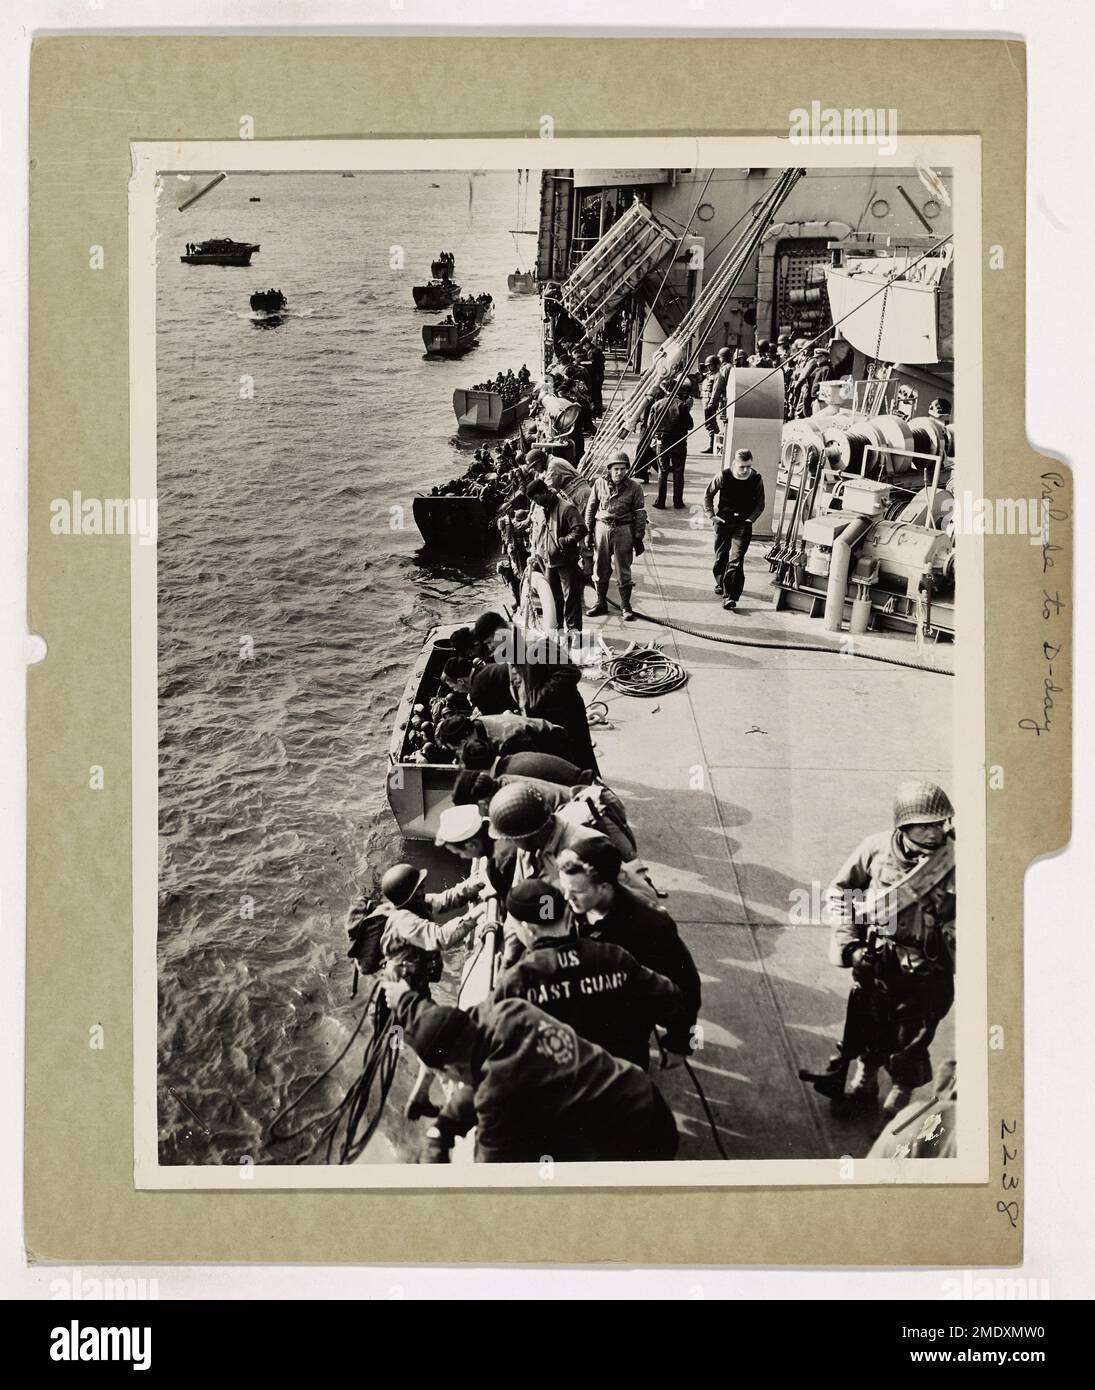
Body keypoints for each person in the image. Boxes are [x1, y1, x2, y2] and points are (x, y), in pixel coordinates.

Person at [384, 983, 679, 1163]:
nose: (447, 1082)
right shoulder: (508, 1011)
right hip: (640, 1090)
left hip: (635, 1141)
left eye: (443, 1076)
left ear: (449, 1068)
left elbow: (490, 1177)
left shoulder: (496, 1096)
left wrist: (438, 1139)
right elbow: (450, 1030)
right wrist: (404, 997)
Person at [801, 781, 956, 1117]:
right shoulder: (875, 849)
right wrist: (851, 947)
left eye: (939, 824)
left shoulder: (957, 860)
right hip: (880, 960)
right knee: (869, 1026)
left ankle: (901, 1088)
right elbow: (841, 894)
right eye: (924, 826)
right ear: (904, 826)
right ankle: (865, 1076)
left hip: (929, 969)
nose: (934, 833)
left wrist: (949, 936)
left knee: (911, 1039)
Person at [490, 878, 689, 1071]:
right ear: (566, 915)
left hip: (563, 1089)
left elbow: (489, 1035)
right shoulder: (614, 957)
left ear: (528, 929)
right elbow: (673, 998)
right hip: (625, 1079)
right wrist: (681, 1045)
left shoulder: (519, 980)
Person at [557, 838, 701, 1041]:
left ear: (604, 887)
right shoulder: (563, 904)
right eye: (564, 889)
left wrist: (682, 1043)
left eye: (576, 892)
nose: (566, 898)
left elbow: (686, 985)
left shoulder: (651, 924)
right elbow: (542, 916)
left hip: (624, 1029)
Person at [584, 452, 647, 621]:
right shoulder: (599, 483)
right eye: (616, 469)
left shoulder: (635, 487)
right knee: (600, 568)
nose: (620, 473)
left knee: (623, 570)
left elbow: (640, 513)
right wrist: (588, 531)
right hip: (602, 528)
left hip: (623, 530)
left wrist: (638, 537)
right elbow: (591, 508)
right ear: (610, 470)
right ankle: (600, 602)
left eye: (623, 469)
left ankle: (625, 605)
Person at [703, 448, 766, 609]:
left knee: (736, 560)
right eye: (742, 467)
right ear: (734, 464)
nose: (745, 470)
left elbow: (760, 503)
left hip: (743, 524)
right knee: (721, 557)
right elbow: (708, 494)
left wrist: (750, 519)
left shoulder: (756, 479)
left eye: (748, 466)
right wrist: (711, 515)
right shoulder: (723, 476)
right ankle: (721, 583)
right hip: (723, 521)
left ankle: (730, 596)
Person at [525, 477, 587, 635]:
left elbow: (580, 529)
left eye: (536, 498)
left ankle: (574, 631)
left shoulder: (567, 508)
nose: (535, 502)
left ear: (545, 492)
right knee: (553, 598)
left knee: (571, 598)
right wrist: (535, 552)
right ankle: (557, 630)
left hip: (566, 560)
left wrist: (564, 541)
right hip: (548, 562)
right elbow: (537, 533)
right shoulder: (540, 510)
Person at [653, 390, 693, 510]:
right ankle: (678, 502)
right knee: (678, 472)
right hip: (679, 442)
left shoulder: (657, 404)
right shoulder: (682, 405)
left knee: (662, 472)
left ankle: (660, 501)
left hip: (662, 442)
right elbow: (690, 425)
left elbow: (651, 425)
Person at [698, 355, 721, 453]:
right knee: (709, 423)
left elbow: (716, 390)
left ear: (715, 365)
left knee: (711, 424)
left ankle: (713, 446)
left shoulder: (718, 375)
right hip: (706, 401)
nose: (708, 367)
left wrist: (711, 403)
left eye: (710, 365)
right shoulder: (709, 374)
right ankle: (713, 445)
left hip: (710, 403)